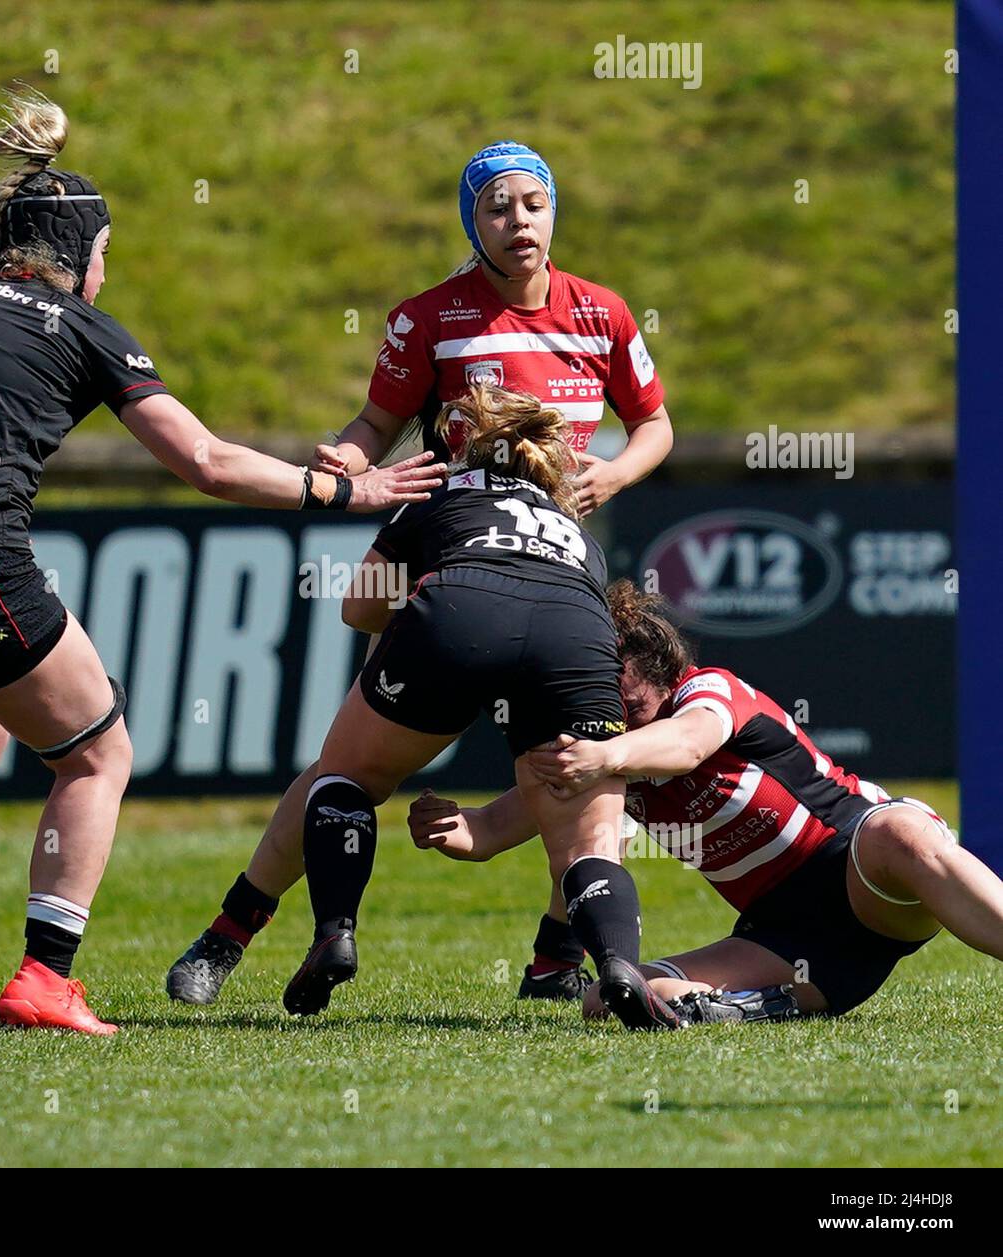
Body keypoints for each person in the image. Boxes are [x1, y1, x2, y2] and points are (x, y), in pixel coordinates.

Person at [0, 88, 444, 1036]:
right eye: (104, 257)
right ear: (77, 256)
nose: (105, 277)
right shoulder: (78, 322)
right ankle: (44, 975)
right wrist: (348, 494)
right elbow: (207, 464)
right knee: (98, 753)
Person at [168, 140, 673, 1006]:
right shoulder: (430, 317)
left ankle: (547, 960)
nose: (520, 221)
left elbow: (655, 424)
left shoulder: (605, 314)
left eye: (534, 203)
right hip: (487, 547)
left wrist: (615, 473)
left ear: (556, 211)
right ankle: (230, 936)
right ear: (471, 223)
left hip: (530, 557)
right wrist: (351, 462)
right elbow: (377, 423)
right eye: (498, 207)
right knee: (582, 793)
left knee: (404, 771)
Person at [234, 385, 676, 1027]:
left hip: (460, 615)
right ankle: (617, 965)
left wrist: (425, 607)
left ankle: (335, 933)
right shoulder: (577, 531)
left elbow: (359, 608)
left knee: (347, 777)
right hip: (576, 634)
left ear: (464, 444)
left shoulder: (439, 495)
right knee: (591, 845)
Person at [408, 580, 1003, 1026]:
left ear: (664, 675)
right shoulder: (608, 754)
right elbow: (488, 831)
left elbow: (688, 744)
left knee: (903, 830)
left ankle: (747, 1005)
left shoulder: (706, 690)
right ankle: (747, 1008)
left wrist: (603, 757)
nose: (612, 724)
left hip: (859, 865)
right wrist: (448, 824)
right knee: (610, 999)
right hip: (786, 940)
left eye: (627, 704)